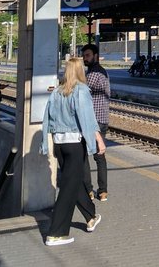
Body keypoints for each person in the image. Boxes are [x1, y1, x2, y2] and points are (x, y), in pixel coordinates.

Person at [41, 57, 105, 247]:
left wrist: (46, 143)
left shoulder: (56, 92)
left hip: (59, 145)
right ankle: (56, 233)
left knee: (72, 181)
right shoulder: (82, 91)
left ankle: (91, 216)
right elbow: (88, 119)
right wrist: (97, 142)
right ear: (80, 71)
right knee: (68, 188)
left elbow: (47, 119)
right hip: (75, 144)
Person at [81, 43, 110, 201]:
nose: (85, 58)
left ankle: (88, 190)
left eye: (88, 55)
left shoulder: (93, 73)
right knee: (100, 156)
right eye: (84, 56)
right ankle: (103, 191)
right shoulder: (102, 71)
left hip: (92, 120)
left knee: (84, 154)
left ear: (95, 56)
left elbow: (82, 91)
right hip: (102, 119)